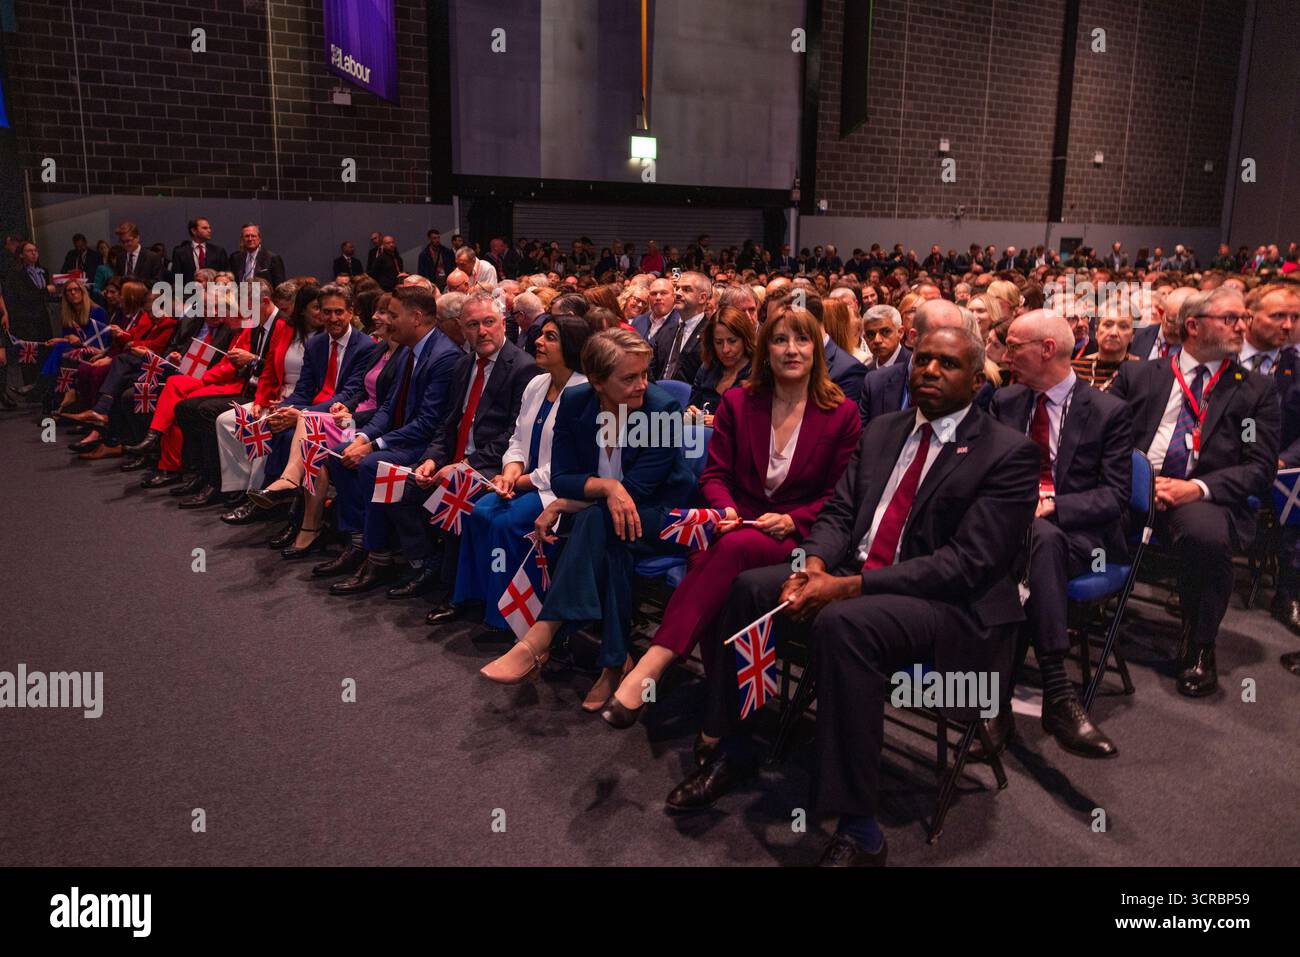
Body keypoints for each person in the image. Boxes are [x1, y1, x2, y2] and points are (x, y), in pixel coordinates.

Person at [664, 326, 1038, 868]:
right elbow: (840, 515)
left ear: (978, 381)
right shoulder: (885, 429)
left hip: (948, 604)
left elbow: (967, 565)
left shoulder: (1008, 453)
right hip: (851, 571)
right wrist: (812, 564)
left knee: (845, 625)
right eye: (924, 360)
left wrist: (847, 587)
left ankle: (861, 829)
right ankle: (736, 745)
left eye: (948, 365)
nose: (930, 371)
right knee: (747, 589)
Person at [602, 307, 861, 729]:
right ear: (765, 351)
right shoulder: (740, 403)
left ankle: (655, 661)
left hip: (798, 536)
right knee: (716, 561)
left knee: (726, 551)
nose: (791, 350)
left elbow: (838, 497)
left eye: (802, 340)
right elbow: (716, 473)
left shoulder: (841, 413)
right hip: (734, 522)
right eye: (779, 340)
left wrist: (793, 520)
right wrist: (726, 509)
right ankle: (722, 721)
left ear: (818, 349)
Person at [478, 328, 696, 712]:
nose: (641, 385)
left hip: (663, 516)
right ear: (596, 381)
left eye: (645, 374)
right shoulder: (577, 402)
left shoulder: (661, 410)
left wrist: (569, 504)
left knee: (597, 525)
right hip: (610, 517)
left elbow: (640, 489)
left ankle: (543, 635)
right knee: (611, 542)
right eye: (628, 378)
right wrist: (605, 490)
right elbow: (562, 477)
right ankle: (614, 661)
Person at [1109, 286, 1280, 696]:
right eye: (1231, 319)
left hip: (1201, 496)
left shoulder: (1253, 390)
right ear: (1193, 326)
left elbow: (1258, 467)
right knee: (1072, 513)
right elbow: (1104, 442)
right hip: (1133, 487)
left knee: (1206, 537)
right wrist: (1136, 483)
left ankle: (1200, 643)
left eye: (1245, 318)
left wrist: (1196, 488)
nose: (1243, 326)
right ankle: (1067, 615)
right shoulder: (1139, 376)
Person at [983, 310, 1130, 759]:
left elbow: (1117, 496)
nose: (1005, 355)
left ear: (1047, 349)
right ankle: (1057, 695)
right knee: (1025, 545)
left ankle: (998, 703)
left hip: (1080, 539)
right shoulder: (1005, 401)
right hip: (1012, 530)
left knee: (1039, 541)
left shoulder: (1108, 412)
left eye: (1014, 346)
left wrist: (1055, 506)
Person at [343, 292, 539, 598]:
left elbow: (512, 436)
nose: (482, 331)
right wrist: (433, 459)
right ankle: (425, 562)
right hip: (453, 459)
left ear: (503, 324)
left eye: (489, 322)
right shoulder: (464, 365)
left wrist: (463, 466)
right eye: (473, 325)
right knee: (394, 485)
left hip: (489, 465)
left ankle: (451, 586)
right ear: (462, 328)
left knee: (445, 491)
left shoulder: (523, 368)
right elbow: (447, 425)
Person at [431, 315, 592, 628]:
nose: (538, 342)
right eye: (541, 335)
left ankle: (507, 615)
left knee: (506, 522)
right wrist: (509, 472)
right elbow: (518, 438)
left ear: (571, 346)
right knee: (479, 512)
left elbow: (573, 462)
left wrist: (521, 481)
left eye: (550, 337)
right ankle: (474, 597)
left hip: (556, 488)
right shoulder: (537, 383)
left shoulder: (585, 392)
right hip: (521, 478)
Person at [312, 284, 462, 585]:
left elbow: (427, 423)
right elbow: (389, 407)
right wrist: (362, 439)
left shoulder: (444, 356)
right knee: (341, 452)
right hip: (405, 437)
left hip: (428, 446)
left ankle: (381, 556)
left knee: (371, 465)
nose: (386, 320)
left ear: (416, 317)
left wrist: (374, 446)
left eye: (393, 314)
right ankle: (358, 543)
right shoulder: (411, 351)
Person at [250, 292, 398, 557]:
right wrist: (285, 409)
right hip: (344, 416)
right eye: (326, 311)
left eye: (339, 312)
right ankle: (304, 522)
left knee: (306, 431)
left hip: (359, 424)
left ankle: (294, 497)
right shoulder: (372, 348)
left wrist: (305, 413)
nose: (332, 318)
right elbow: (350, 393)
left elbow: (382, 405)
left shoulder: (369, 346)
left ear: (350, 312)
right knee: (291, 433)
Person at [686, 307, 754, 427]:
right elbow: (690, 411)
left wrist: (720, 422)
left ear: (745, 340)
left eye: (732, 341)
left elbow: (757, 425)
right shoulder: (707, 367)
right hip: (701, 440)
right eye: (718, 342)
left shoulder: (757, 373)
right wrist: (690, 416)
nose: (725, 349)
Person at [654, 271, 711, 384]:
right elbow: (652, 367)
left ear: (702, 298)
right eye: (677, 288)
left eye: (686, 289)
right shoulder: (665, 329)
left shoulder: (711, 333)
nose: (677, 293)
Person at [1072, 308, 1139, 390]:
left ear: (1132, 336)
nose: (1113, 333)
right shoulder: (1075, 369)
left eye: (1123, 327)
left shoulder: (1141, 371)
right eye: (1107, 325)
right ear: (1096, 331)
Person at [228, 223, 286, 290]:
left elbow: (279, 287)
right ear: (242, 239)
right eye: (247, 236)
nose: (250, 239)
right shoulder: (235, 258)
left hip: (262, 297)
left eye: (253, 236)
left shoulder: (272, 258)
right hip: (241, 297)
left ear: (259, 239)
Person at [171, 218, 229, 285]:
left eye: (209, 228)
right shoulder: (180, 253)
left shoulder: (218, 251)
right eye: (205, 228)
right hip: (188, 292)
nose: (209, 230)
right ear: (194, 231)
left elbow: (225, 275)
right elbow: (177, 278)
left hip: (213, 292)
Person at [860, 304, 909, 371]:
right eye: (871, 334)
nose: (877, 340)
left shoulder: (912, 366)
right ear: (865, 338)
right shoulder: (866, 372)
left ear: (900, 332)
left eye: (885, 332)